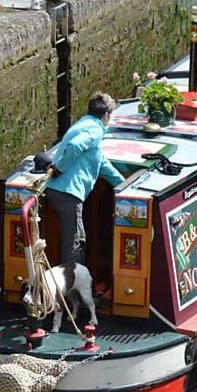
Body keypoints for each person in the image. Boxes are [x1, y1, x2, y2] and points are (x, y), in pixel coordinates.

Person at [45, 91, 125, 265]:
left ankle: (80, 283)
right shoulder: (95, 129)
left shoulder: (84, 124)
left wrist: (124, 186)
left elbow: (101, 162)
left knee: (80, 239)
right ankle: (74, 288)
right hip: (67, 193)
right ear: (106, 114)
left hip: (62, 191)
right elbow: (75, 146)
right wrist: (59, 169)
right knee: (73, 243)